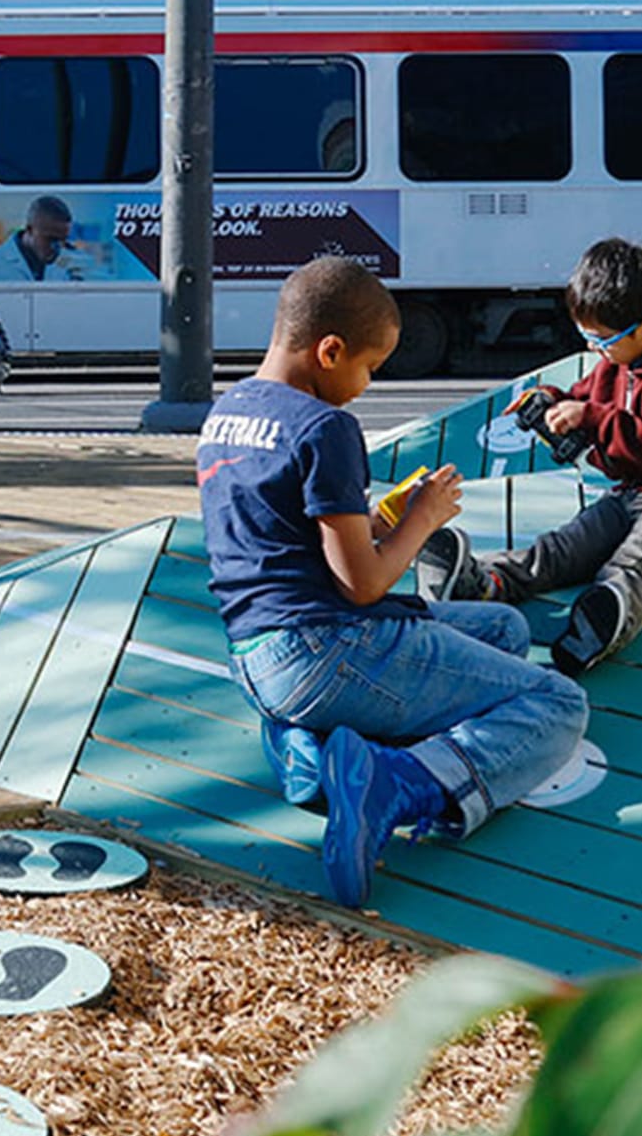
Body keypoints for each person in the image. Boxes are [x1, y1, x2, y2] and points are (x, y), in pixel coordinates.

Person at [199, 256, 590, 909]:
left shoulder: (228, 411)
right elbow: (363, 585)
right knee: (558, 704)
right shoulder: (325, 427)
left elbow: (286, 540)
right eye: (369, 367)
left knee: (503, 628)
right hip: (326, 650)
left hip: (255, 661)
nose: (367, 385)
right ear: (330, 351)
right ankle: (396, 783)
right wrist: (421, 521)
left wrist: (380, 519)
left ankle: (305, 745)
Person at [415, 236, 642, 676]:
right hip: (630, 493)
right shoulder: (621, 355)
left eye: (601, 338)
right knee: (563, 547)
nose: (593, 347)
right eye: (586, 336)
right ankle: (483, 583)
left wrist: (591, 416)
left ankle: (608, 612)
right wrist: (551, 402)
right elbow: (584, 396)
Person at [0, 195, 82, 281]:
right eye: (50, 239)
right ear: (29, 230)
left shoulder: (68, 267)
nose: (57, 247)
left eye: (63, 240)